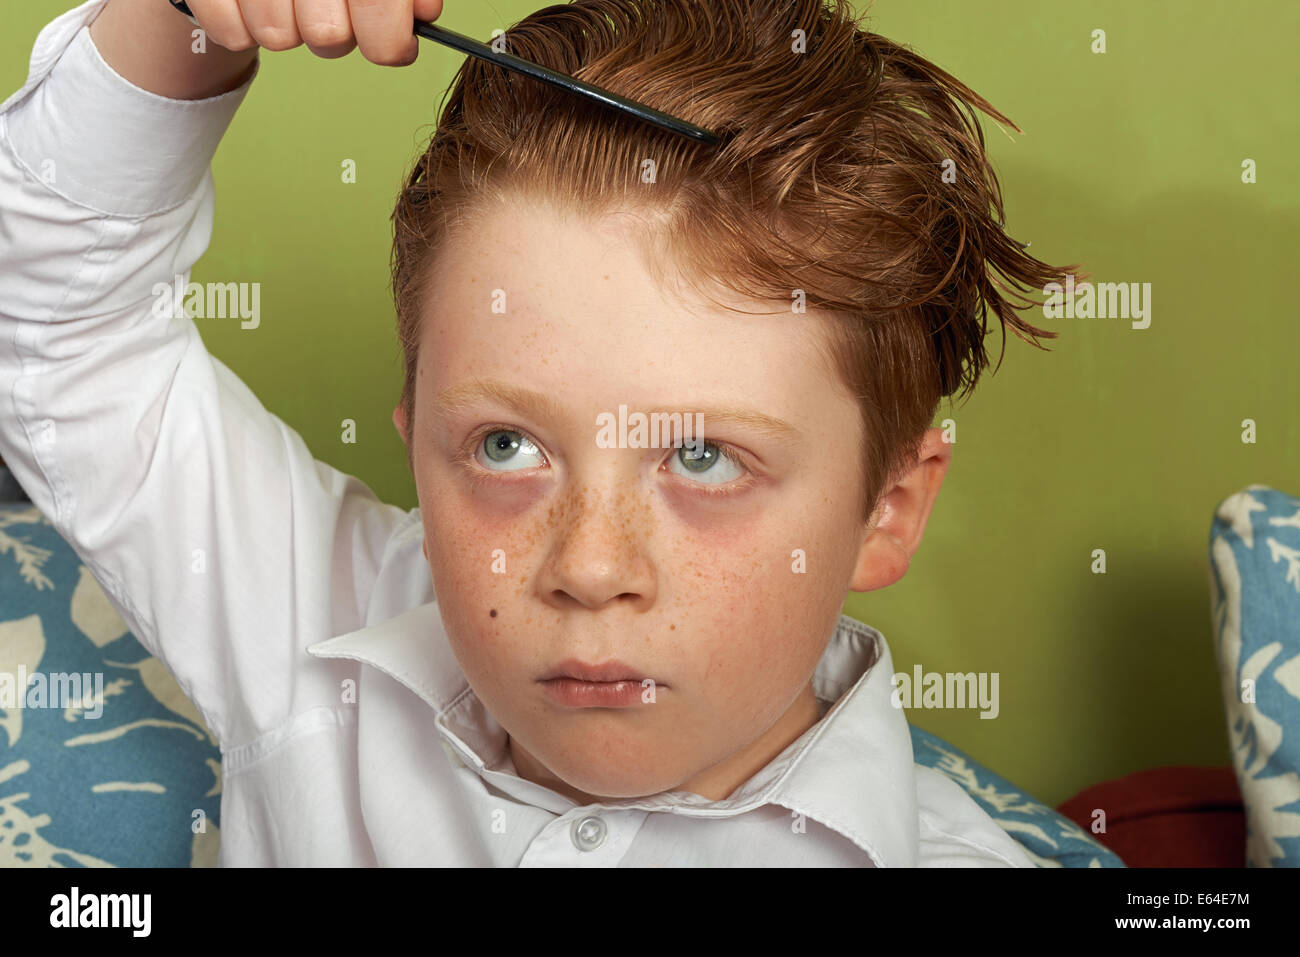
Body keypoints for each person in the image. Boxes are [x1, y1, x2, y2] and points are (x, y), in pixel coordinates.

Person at [0, 0, 1073, 865]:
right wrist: (172, 18)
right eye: (506, 446)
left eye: (702, 459)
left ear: (885, 511)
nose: (590, 569)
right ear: (416, 436)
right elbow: (55, 330)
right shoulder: (307, 631)